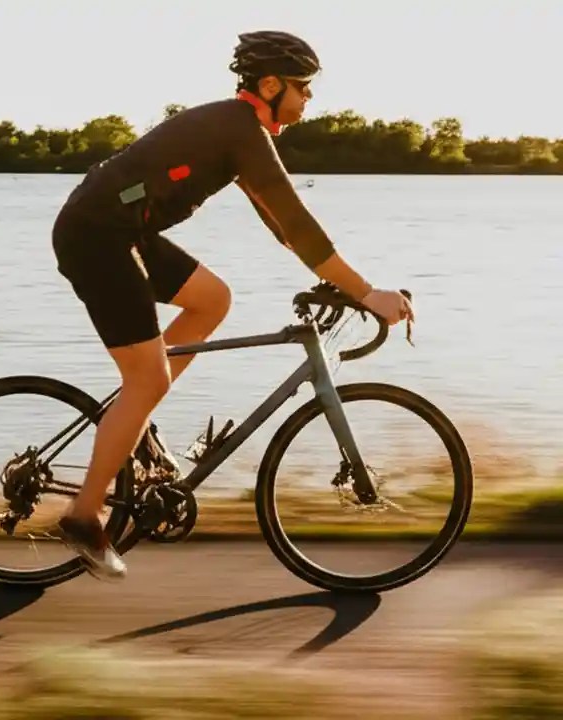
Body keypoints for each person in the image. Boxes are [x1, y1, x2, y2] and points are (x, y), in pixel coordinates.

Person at [50, 30, 415, 579]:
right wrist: (366, 292)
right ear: (270, 85)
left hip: (123, 231)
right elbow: (299, 226)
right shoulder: (237, 129)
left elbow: (284, 229)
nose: (309, 99)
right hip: (97, 237)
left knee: (212, 300)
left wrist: (343, 284)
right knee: (149, 379)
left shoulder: (236, 130)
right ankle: (83, 514)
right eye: (303, 88)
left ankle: (135, 419)